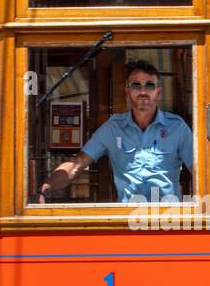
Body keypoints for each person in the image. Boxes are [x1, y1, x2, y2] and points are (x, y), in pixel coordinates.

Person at [38, 60, 194, 203]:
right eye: (136, 85)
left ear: (158, 93)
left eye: (149, 85)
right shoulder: (113, 129)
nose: (143, 91)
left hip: (168, 219)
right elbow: (77, 164)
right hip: (128, 220)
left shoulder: (177, 128)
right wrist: (46, 188)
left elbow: (199, 169)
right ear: (127, 91)